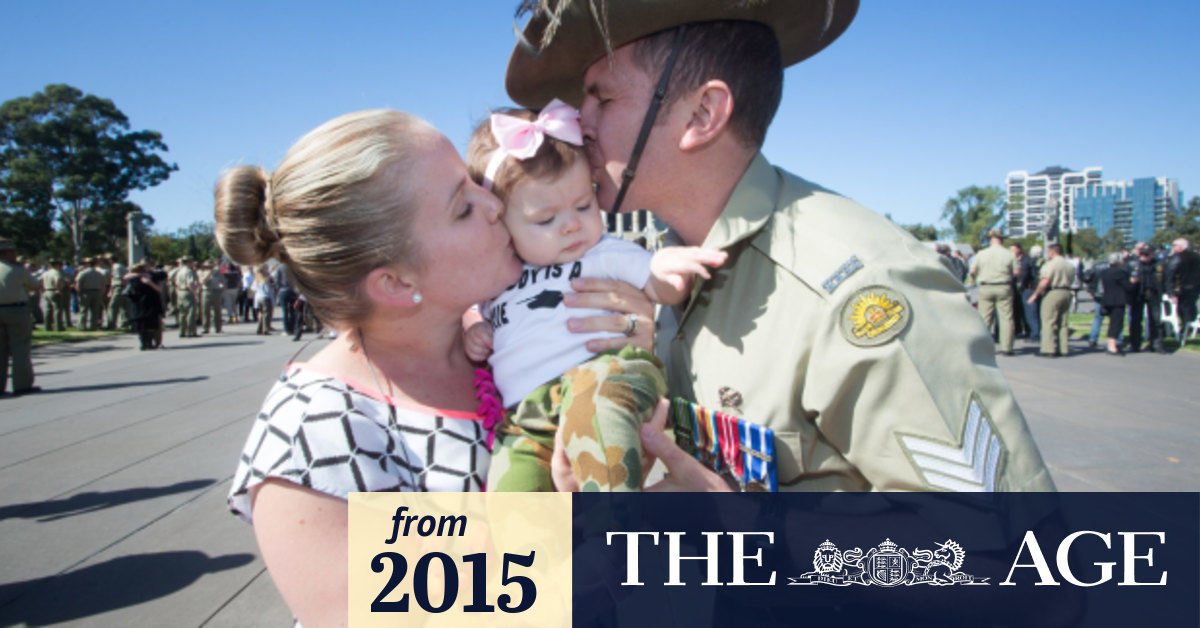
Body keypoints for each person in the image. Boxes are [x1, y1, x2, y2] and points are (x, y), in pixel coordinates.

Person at [505, 0, 1054, 491]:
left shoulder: (853, 285)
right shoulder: (644, 273)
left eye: (601, 97)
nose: (577, 124)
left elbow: (1012, 570)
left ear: (702, 115)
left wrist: (762, 543)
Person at [214, 109, 679, 626]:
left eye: (476, 181)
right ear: (394, 282)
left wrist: (633, 340)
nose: (494, 202)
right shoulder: (312, 436)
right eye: (463, 205)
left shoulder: (510, 333)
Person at [463, 102, 725, 492]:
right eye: (545, 219)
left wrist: (669, 268)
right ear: (500, 222)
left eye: (584, 205)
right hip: (528, 414)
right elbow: (473, 311)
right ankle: (530, 548)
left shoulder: (603, 252)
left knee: (598, 414)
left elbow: (656, 284)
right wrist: (475, 329)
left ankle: (616, 526)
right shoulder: (497, 277)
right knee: (510, 484)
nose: (571, 225)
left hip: (607, 375)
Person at [0, 238, 41, 395]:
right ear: (8, 252)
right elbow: (35, 285)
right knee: (20, 348)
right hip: (16, 310)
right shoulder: (17, 270)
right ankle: (22, 385)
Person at [970, 230, 1017, 355]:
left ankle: (983, 347)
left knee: (984, 318)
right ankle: (1007, 347)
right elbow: (1017, 272)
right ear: (1002, 239)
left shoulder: (981, 254)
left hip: (986, 286)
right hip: (1003, 286)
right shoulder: (1009, 254)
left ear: (991, 239)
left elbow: (973, 270)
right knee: (1006, 317)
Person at [1027, 243, 1075, 357]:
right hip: (1067, 291)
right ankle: (1064, 348)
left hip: (1053, 292)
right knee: (1063, 323)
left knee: (1048, 321)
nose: (1047, 254)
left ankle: (1048, 349)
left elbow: (1045, 281)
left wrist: (1035, 295)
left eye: (1048, 252)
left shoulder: (1051, 264)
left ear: (1053, 252)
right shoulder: (1069, 264)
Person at [1130, 244, 1167, 353]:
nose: (1144, 257)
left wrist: (1167, 292)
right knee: (1136, 320)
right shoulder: (1133, 263)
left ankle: (1156, 344)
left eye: (1147, 254)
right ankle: (1135, 344)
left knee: (1155, 320)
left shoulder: (1160, 264)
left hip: (1154, 294)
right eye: (1142, 254)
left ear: (1152, 254)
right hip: (1138, 294)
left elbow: (1166, 279)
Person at [1096, 252, 1133, 356]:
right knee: (1116, 323)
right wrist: (1133, 282)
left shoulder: (1104, 272)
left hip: (1107, 299)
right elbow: (1128, 287)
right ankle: (1112, 346)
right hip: (1118, 300)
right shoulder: (1120, 273)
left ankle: (1111, 344)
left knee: (1112, 322)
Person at [123, 262, 165, 350]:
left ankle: (146, 343)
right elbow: (159, 289)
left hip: (142, 305)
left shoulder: (144, 277)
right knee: (147, 326)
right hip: (146, 305)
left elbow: (163, 275)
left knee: (144, 326)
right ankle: (146, 343)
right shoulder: (139, 278)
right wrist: (148, 281)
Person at [1166, 237, 1200, 339]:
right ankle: (1192, 329)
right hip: (1195, 287)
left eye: (1174, 245)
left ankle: (1186, 329)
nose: (1172, 247)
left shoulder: (1176, 258)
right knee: (1191, 309)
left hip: (1182, 288)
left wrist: (1170, 292)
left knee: (1183, 310)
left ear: (1181, 247)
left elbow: (1170, 275)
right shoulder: (1197, 256)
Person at [1012, 243, 1040, 342]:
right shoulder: (1013, 261)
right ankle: (1019, 331)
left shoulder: (1027, 260)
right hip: (1017, 291)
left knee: (1030, 314)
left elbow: (1024, 275)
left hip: (1028, 289)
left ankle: (1034, 334)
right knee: (1018, 312)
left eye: (1013, 249)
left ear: (1019, 249)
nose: (1011, 251)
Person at [39, 259, 69, 332]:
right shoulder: (56, 273)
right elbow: (57, 281)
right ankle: (58, 326)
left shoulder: (46, 273)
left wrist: (43, 289)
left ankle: (47, 326)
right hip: (54, 291)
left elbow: (39, 280)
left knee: (48, 309)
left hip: (47, 291)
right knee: (57, 309)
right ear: (57, 265)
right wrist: (59, 289)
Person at [173, 257, 200, 338]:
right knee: (191, 312)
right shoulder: (188, 271)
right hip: (188, 292)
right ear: (188, 262)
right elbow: (190, 284)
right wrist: (195, 295)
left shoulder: (179, 271)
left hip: (180, 292)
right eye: (191, 262)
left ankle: (182, 331)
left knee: (182, 313)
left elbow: (175, 282)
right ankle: (191, 331)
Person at [200, 259, 225, 334]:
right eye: (207, 266)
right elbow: (202, 281)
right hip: (206, 292)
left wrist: (222, 291)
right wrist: (208, 274)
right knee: (205, 311)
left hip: (216, 292)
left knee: (217, 311)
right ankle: (205, 328)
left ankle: (218, 328)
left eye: (210, 266)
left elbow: (223, 282)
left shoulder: (217, 273)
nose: (209, 267)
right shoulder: (202, 273)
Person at [252, 265, 275, 335]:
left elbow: (253, 289)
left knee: (262, 314)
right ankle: (266, 329)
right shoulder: (265, 279)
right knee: (267, 314)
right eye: (266, 269)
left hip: (258, 298)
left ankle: (259, 329)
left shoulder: (256, 279)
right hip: (265, 297)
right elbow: (267, 290)